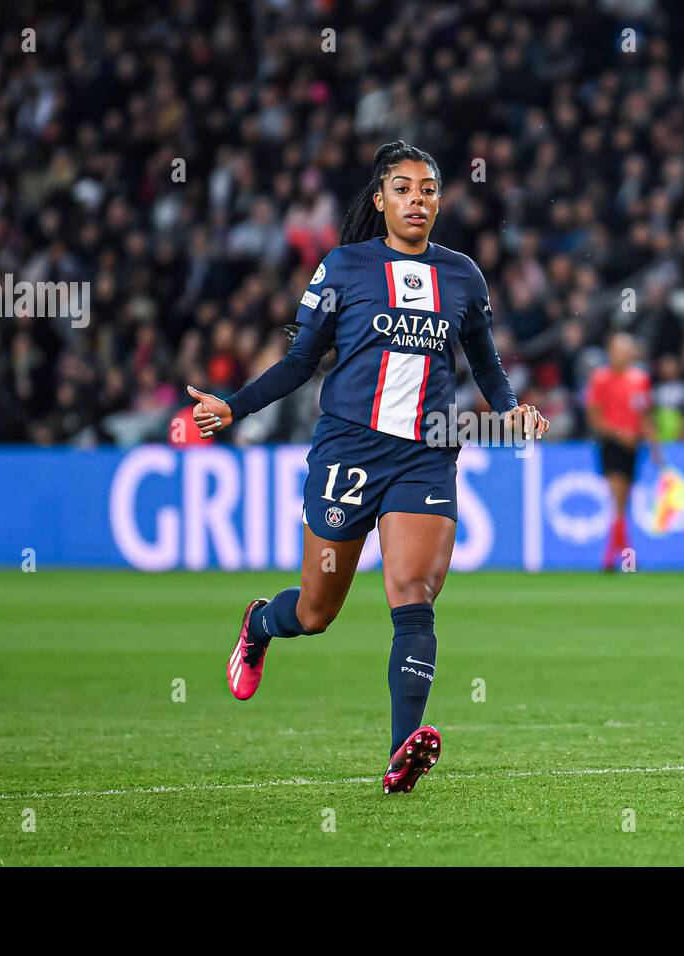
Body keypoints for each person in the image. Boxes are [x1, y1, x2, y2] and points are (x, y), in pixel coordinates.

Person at [187, 141, 550, 793]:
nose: (419, 200)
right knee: (317, 612)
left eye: (430, 189)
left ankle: (400, 751)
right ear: (380, 200)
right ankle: (261, 623)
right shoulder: (345, 268)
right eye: (405, 189)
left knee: (413, 594)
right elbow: (302, 361)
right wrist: (234, 408)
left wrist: (511, 410)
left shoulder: (463, 275)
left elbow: (487, 365)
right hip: (349, 451)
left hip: (426, 453)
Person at [585, 331, 655, 571]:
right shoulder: (600, 379)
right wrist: (619, 434)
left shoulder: (639, 380)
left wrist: (655, 447)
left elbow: (645, 416)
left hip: (633, 447)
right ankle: (622, 557)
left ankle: (615, 557)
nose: (623, 354)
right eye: (619, 349)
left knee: (622, 504)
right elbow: (594, 418)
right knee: (618, 500)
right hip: (612, 444)